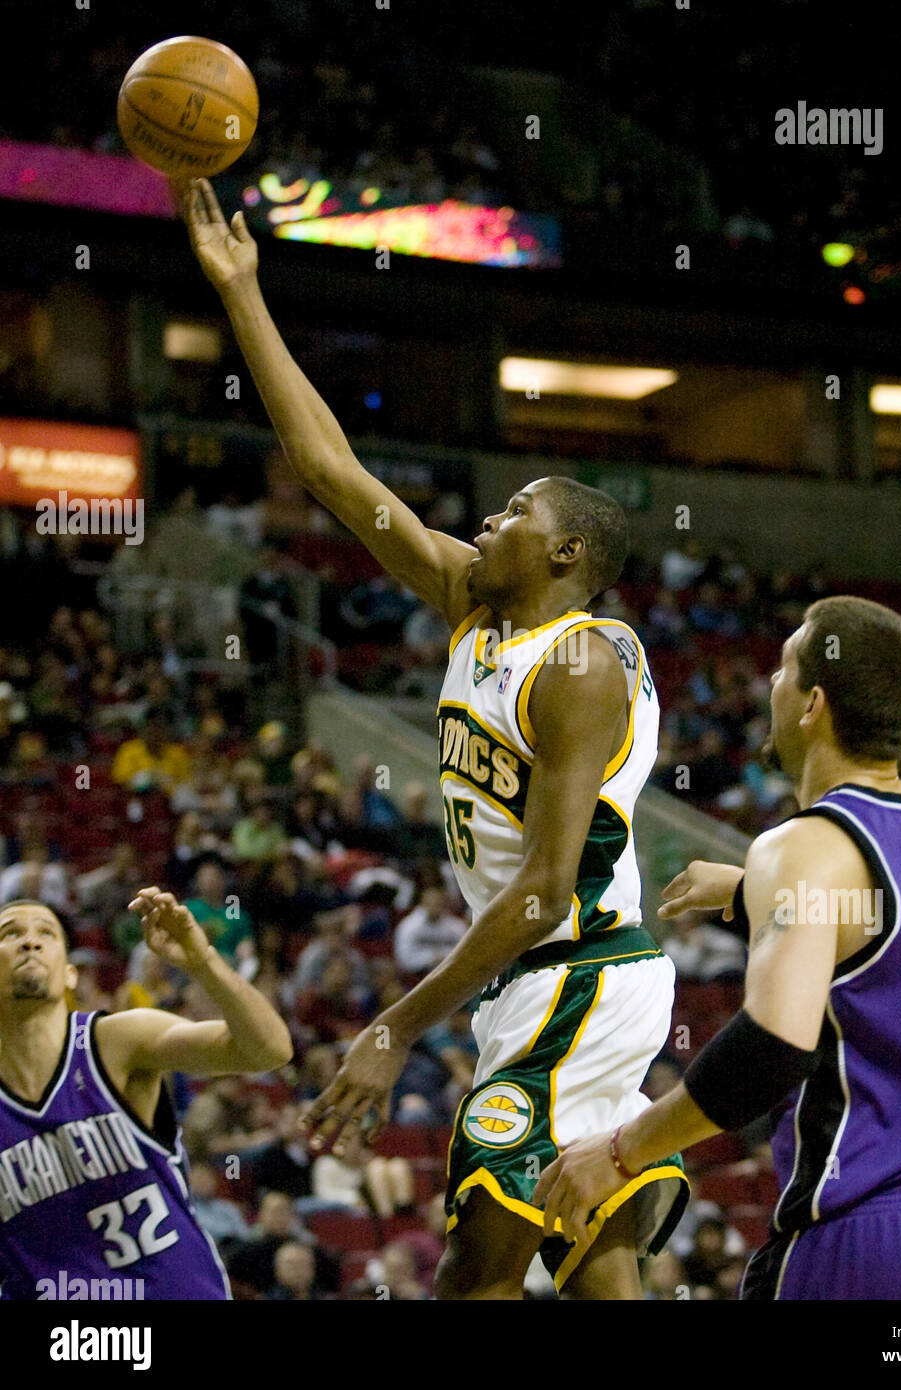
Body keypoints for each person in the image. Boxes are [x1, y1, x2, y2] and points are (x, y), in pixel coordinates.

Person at [177, 175, 687, 1300]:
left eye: (516, 515)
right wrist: (244, 293)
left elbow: (547, 890)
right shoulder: (475, 603)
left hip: (576, 970)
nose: (488, 522)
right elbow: (331, 472)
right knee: (591, 1254)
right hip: (545, 978)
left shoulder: (579, 664)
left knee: (474, 1265)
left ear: (566, 559)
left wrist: (395, 1027)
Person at [534, 595, 901, 1300]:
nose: (770, 688)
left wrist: (619, 1153)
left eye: (782, 670)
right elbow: (882, 942)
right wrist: (747, 888)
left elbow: (772, 1048)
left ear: (812, 703)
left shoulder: (802, 845)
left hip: (880, 1244)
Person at [0, 893, 292, 1300]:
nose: (30, 941)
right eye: (10, 933)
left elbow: (269, 1051)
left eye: (46, 933)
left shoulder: (116, 1042)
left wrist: (202, 961)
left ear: (69, 975)